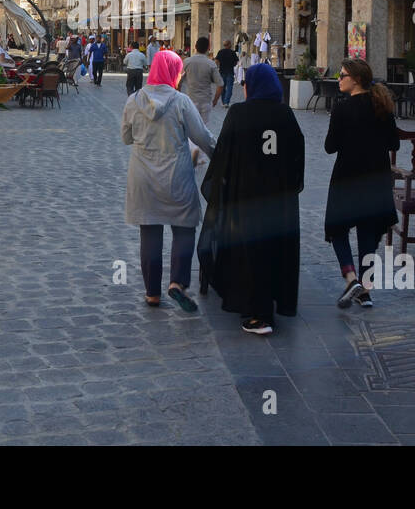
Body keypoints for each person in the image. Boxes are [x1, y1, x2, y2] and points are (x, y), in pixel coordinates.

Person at [200, 63, 303, 335]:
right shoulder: (285, 114)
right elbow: (297, 154)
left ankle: (257, 313)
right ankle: (271, 300)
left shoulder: (239, 113)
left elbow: (223, 153)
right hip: (278, 197)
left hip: (245, 195)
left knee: (249, 250)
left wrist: (218, 184)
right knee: (273, 248)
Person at [122, 49, 216, 312]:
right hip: (177, 175)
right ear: (174, 73)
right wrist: (222, 155)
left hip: (143, 176)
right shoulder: (181, 102)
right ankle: (177, 282)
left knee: (150, 230)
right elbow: (202, 137)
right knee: (184, 228)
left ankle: (152, 292)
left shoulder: (133, 101)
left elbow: (126, 138)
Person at [324, 57, 400, 308]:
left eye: (342, 75)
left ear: (355, 79)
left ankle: (351, 278)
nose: (339, 79)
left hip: (348, 176)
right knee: (369, 232)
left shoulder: (342, 108)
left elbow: (329, 147)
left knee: (338, 229)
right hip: (376, 177)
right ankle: (365, 291)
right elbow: (394, 143)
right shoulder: (382, 105)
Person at [181, 36, 223, 124]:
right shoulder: (211, 64)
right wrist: (215, 100)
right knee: (204, 128)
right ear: (208, 48)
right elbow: (220, 84)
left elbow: (178, 83)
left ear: (195, 46)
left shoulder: (187, 62)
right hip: (205, 101)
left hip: (191, 100)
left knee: (191, 128)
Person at [214, 40, 239, 106]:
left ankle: (223, 101)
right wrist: (232, 65)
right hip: (230, 72)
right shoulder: (233, 52)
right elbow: (236, 62)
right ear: (229, 44)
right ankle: (226, 102)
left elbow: (216, 61)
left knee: (222, 87)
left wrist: (218, 67)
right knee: (229, 87)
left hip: (222, 71)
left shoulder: (220, 52)